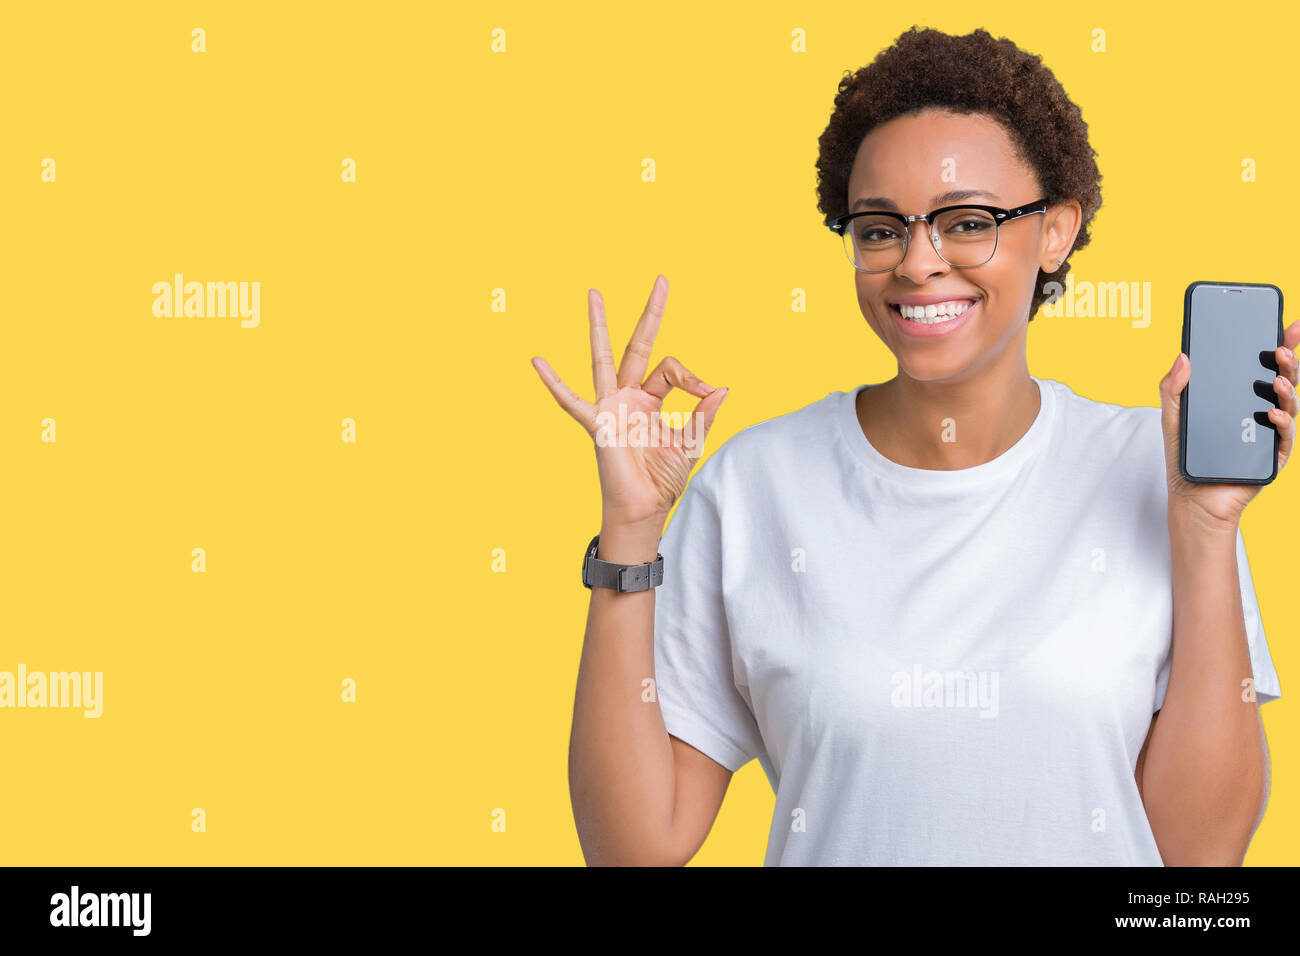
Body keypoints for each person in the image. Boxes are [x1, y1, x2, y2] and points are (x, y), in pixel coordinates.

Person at [531, 26, 1291, 866]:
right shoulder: (755, 486)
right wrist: (632, 529)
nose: (918, 263)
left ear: (1056, 232)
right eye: (880, 228)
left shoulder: (1157, 473)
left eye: (968, 222)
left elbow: (1199, 858)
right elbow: (632, 849)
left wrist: (1207, 530)